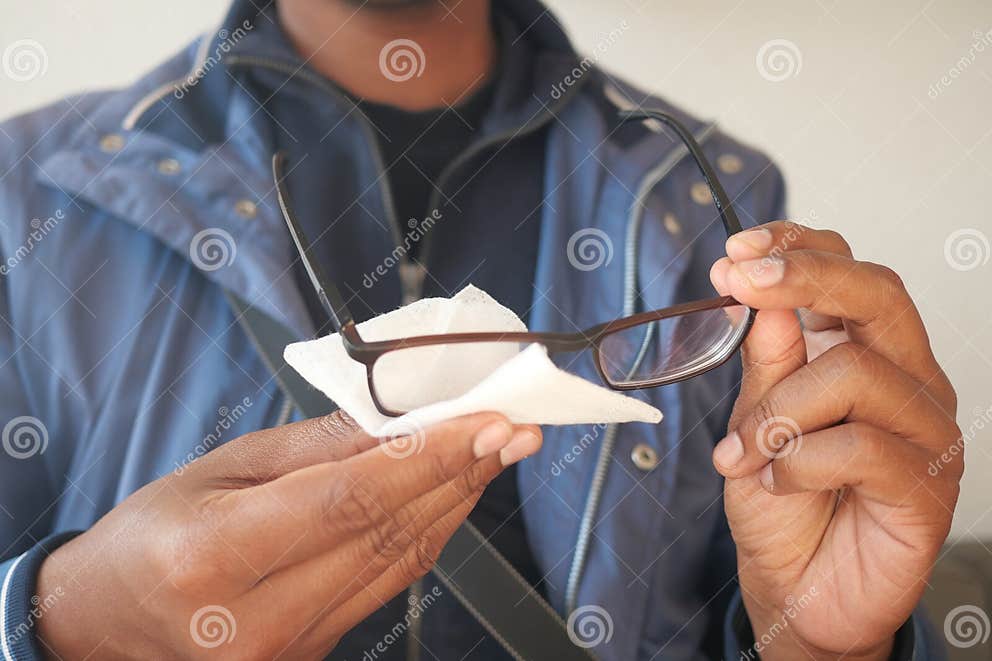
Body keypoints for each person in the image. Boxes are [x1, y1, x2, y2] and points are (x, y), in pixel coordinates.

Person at [0, 0, 961, 659]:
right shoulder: (28, 190)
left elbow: (759, 591)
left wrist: (817, 642)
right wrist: (56, 620)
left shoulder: (714, 195)